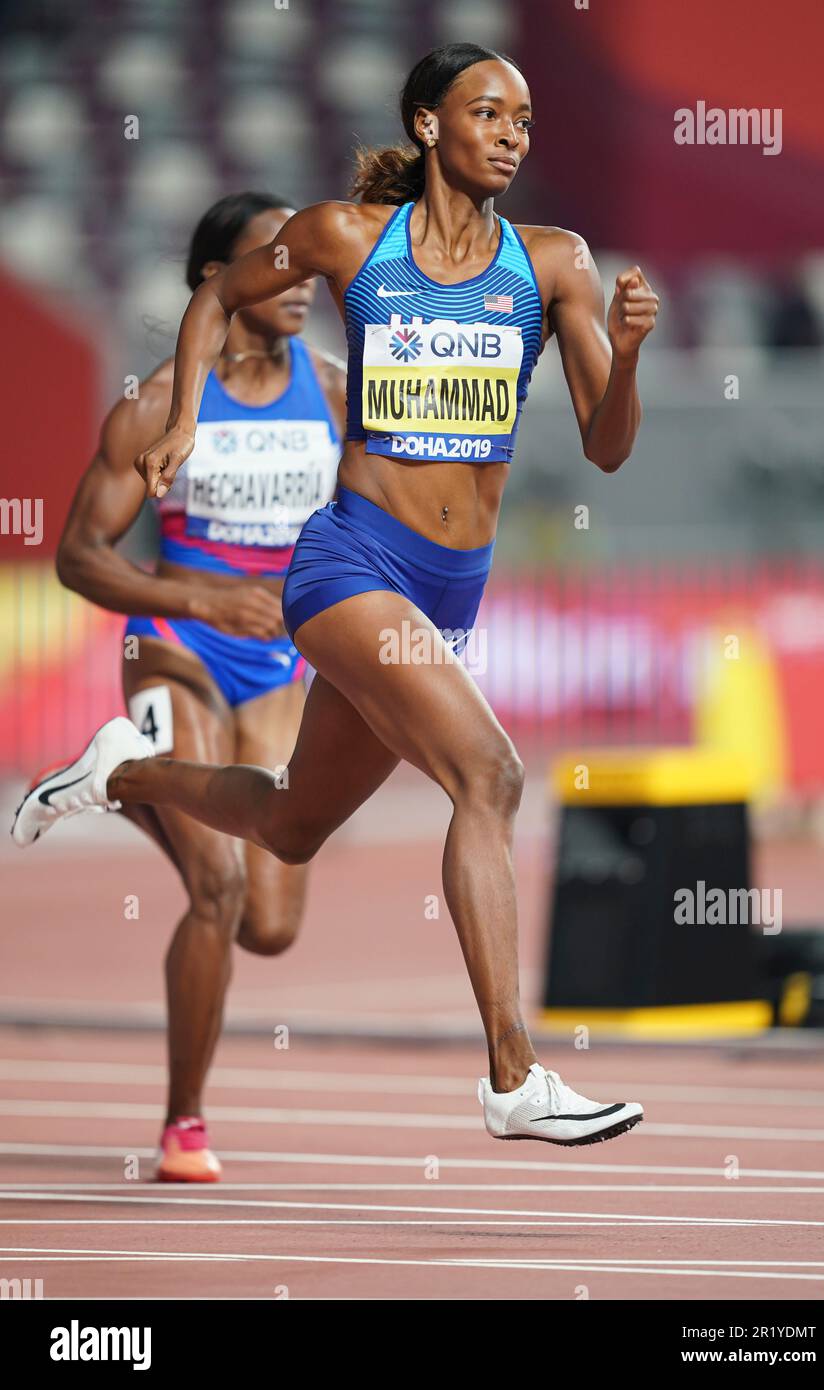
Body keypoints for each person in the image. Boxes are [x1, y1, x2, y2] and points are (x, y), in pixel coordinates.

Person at [15, 44, 659, 1148]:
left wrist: (629, 356)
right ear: (424, 125)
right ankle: (513, 1072)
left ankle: (121, 768)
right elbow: (219, 290)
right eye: (488, 112)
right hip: (350, 564)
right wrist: (177, 422)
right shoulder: (346, 240)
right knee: (489, 774)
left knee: (287, 826)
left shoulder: (553, 263)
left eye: (525, 118)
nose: (513, 132)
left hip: (450, 593)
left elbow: (606, 450)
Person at [49, 192, 345, 1180]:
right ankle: (184, 1124)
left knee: (270, 921)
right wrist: (199, 595)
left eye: (305, 260)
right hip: (175, 639)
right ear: (221, 281)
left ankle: (124, 779)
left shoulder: (336, 392)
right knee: (216, 886)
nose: (298, 278)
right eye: (275, 259)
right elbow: (81, 557)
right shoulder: (159, 400)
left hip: (278, 663)